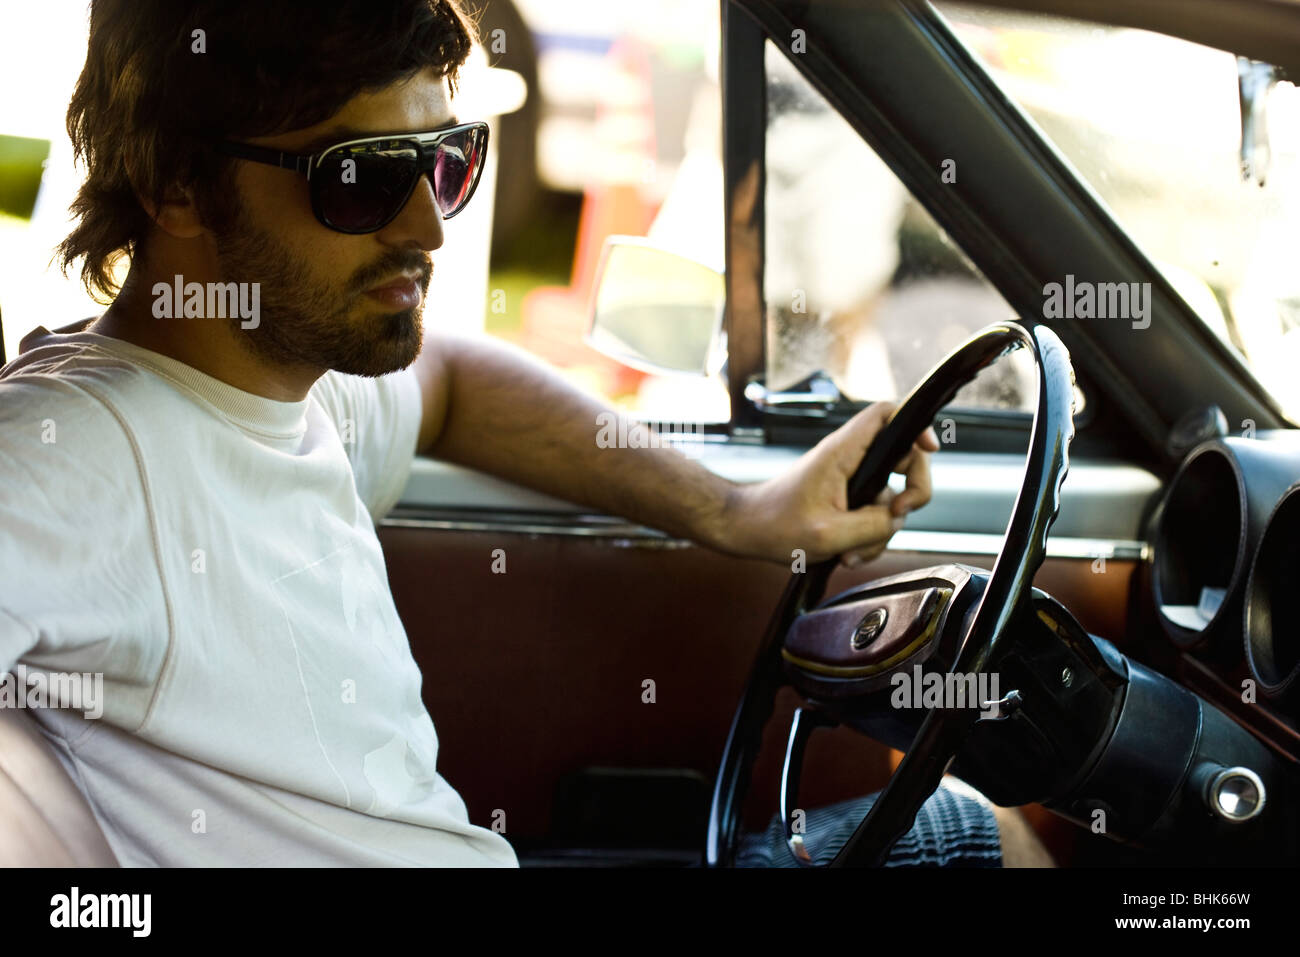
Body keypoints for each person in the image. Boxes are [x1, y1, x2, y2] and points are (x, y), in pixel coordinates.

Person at [0, 0, 1047, 867]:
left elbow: (451, 381)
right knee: (968, 836)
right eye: (360, 179)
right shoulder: (76, 455)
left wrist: (740, 511)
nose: (427, 227)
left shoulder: (285, 378)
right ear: (175, 184)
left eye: (447, 161)